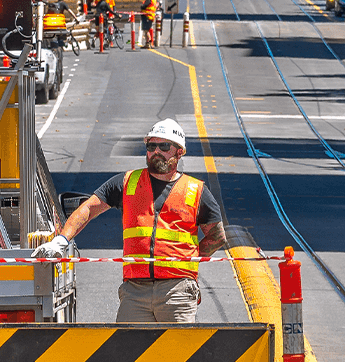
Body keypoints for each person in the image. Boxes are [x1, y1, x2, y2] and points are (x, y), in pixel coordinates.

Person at [32, 119, 226, 322]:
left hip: (177, 291)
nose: (156, 151)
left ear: (179, 152)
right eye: (151, 146)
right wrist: (61, 240)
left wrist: (189, 261)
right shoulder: (127, 182)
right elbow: (89, 208)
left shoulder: (195, 190)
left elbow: (217, 236)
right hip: (135, 292)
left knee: (177, 344)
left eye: (164, 146)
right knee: (127, 343)